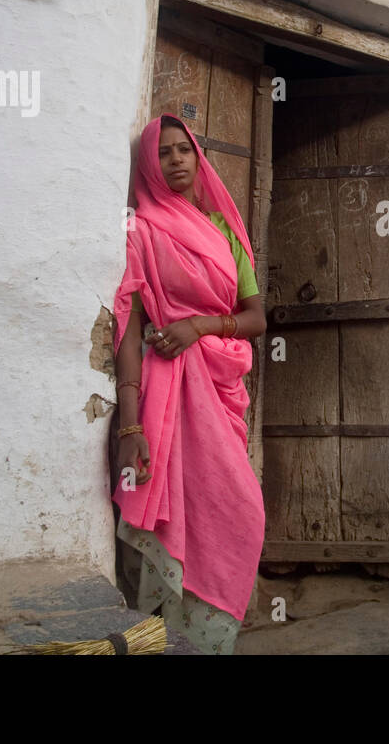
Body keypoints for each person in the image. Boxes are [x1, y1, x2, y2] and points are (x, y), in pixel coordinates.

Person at [111, 113, 267, 654]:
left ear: (198, 157)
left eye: (184, 150)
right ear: (148, 164)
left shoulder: (222, 228)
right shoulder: (142, 229)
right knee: (165, 520)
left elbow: (255, 317)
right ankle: (164, 644)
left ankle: (205, 642)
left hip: (219, 388)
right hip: (164, 394)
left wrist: (199, 325)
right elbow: (128, 332)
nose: (176, 160)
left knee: (240, 512)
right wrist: (131, 424)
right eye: (163, 152)